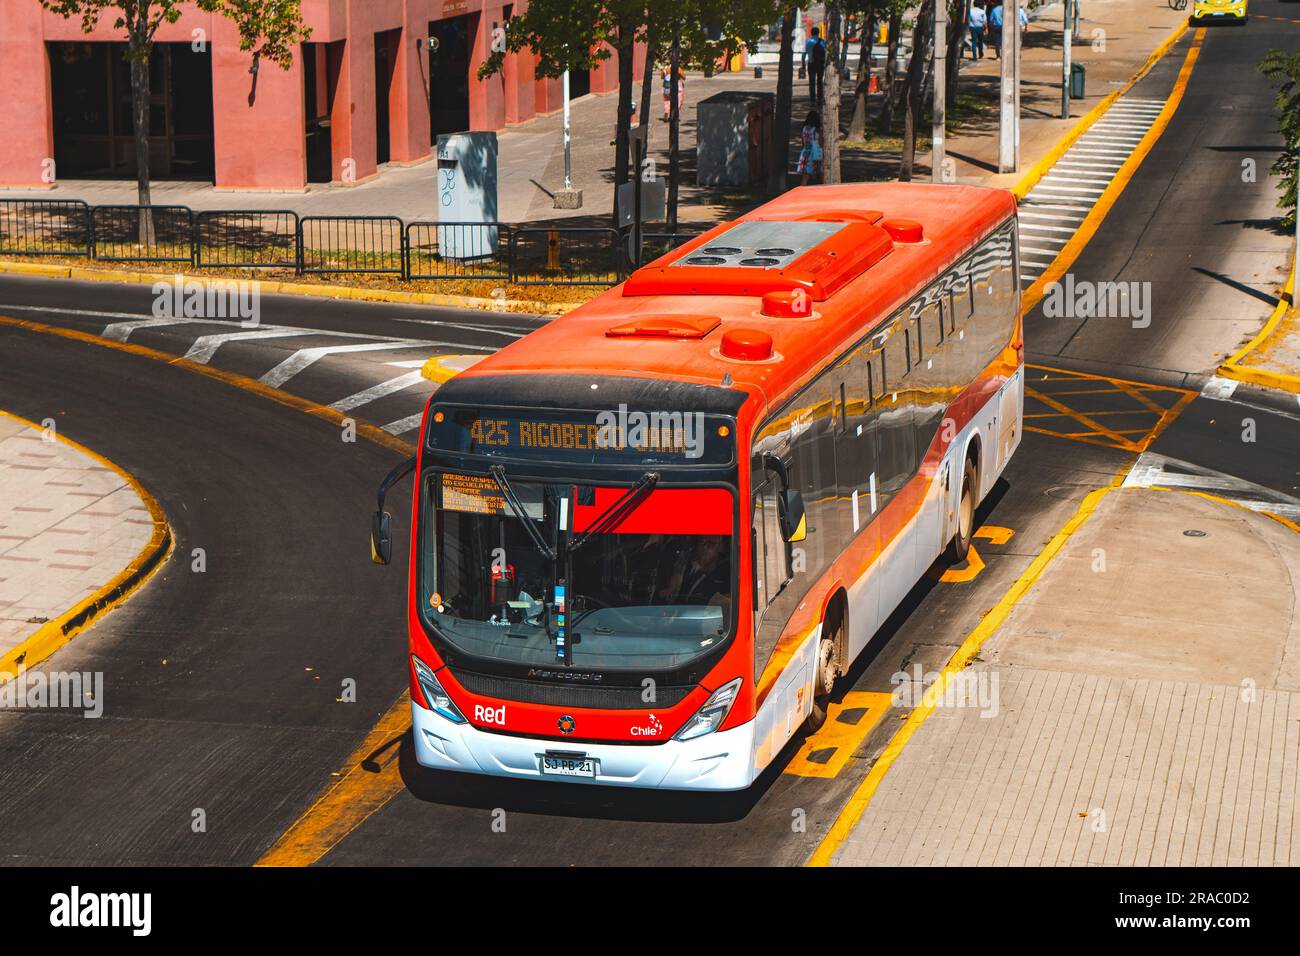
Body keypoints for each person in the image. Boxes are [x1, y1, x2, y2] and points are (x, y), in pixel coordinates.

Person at [796, 110, 823, 185]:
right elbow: (819, 142)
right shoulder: (816, 130)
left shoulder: (804, 128)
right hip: (815, 153)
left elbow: (802, 141)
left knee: (805, 175)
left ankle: (801, 192)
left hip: (805, 152)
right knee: (820, 174)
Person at [802, 26, 827, 104]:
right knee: (820, 81)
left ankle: (812, 100)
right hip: (820, 64)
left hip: (811, 64)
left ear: (811, 33)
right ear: (818, 33)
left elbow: (804, 54)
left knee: (812, 82)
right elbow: (826, 53)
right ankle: (820, 99)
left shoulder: (808, 42)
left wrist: (803, 64)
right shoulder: (823, 42)